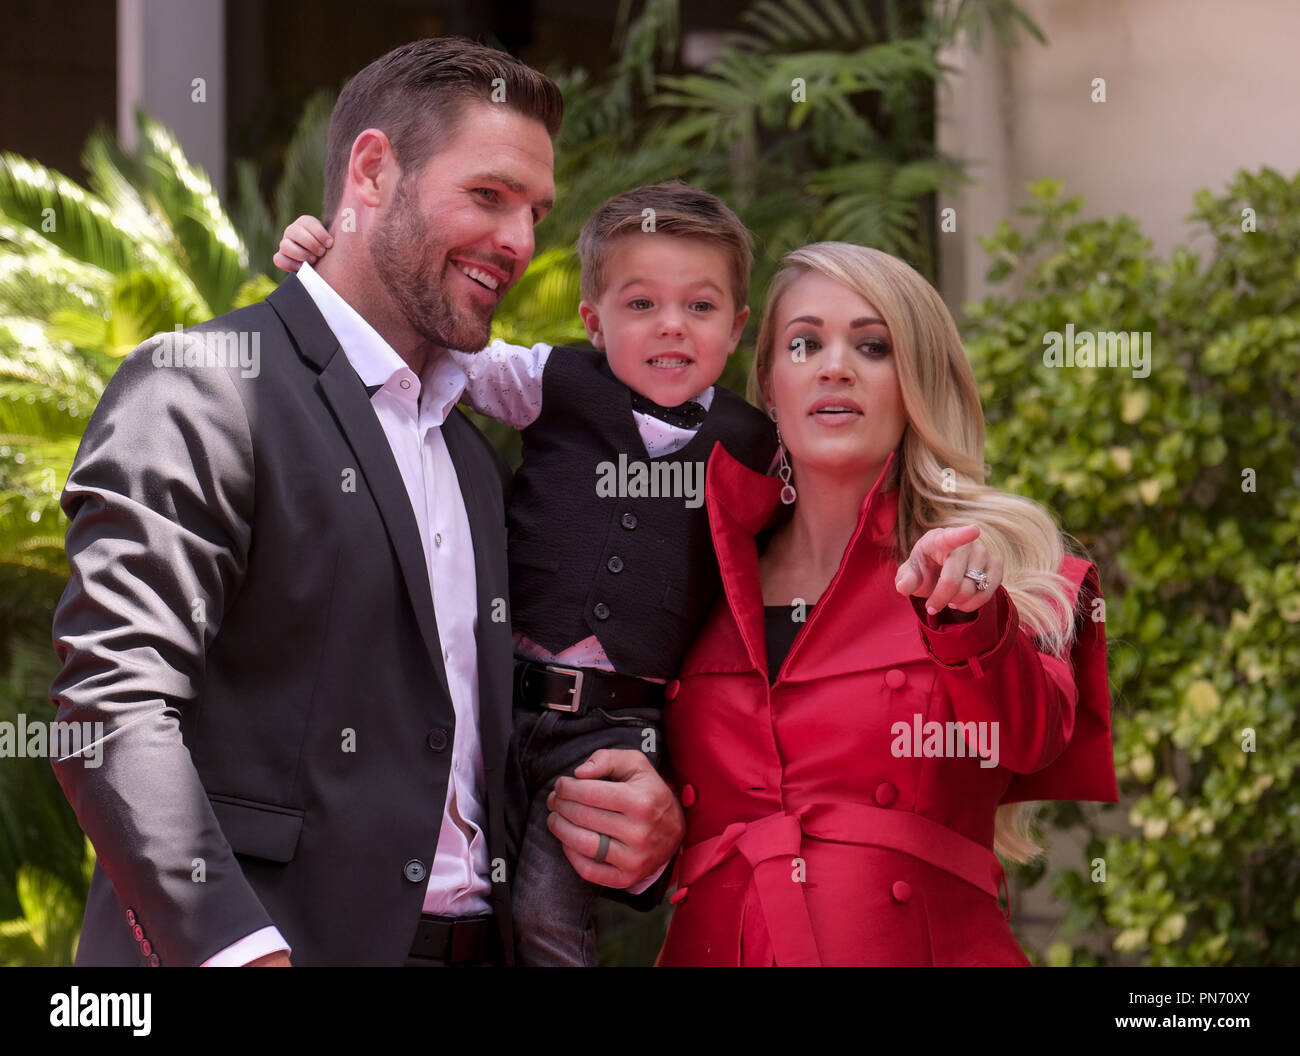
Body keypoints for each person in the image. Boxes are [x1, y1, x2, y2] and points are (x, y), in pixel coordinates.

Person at [47, 36, 681, 968]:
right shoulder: (203, 388)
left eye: (536, 212)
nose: (519, 241)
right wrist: (236, 951)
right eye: (488, 195)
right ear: (373, 171)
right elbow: (112, 707)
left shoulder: (474, 459)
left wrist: (636, 825)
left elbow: (474, 748)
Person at [276, 180, 777, 965]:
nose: (672, 326)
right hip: (496, 708)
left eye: (701, 308)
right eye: (640, 304)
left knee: (546, 912)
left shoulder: (753, 445)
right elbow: (418, 343)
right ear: (593, 320)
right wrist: (327, 264)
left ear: (738, 326)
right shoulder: (553, 382)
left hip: (616, 732)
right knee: (459, 882)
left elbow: (833, 523)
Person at [652, 242, 1119, 966]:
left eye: (872, 346)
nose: (834, 365)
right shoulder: (694, 573)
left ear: (917, 383)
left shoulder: (994, 567)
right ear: (771, 385)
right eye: (805, 343)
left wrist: (969, 616)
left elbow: (1031, 737)